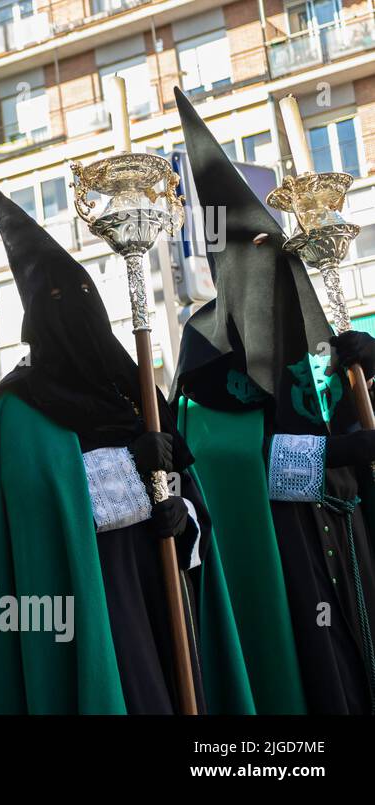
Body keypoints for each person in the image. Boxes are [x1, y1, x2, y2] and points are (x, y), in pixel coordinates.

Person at [0, 183, 253, 714]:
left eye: (81, 297)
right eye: (54, 302)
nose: (71, 312)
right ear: (32, 319)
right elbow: (39, 515)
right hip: (92, 600)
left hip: (159, 580)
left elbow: (187, 489)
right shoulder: (16, 407)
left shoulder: (131, 390)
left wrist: (184, 515)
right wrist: (133, 465)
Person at [173, 88, 375, 714]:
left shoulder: (313, 336)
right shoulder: (204, 358)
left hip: (354, 548)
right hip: (283, 568)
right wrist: (341, 448)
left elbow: (350, 417)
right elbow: (232, 468)